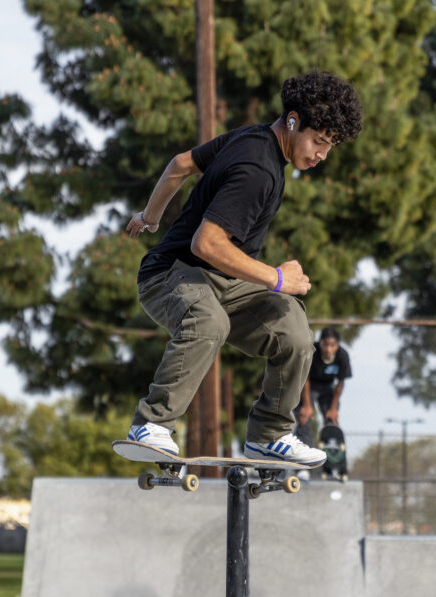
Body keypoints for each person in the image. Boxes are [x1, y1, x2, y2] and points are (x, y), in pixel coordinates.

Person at [124, 70, 363, 465]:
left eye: (330, 145)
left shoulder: (250, 136)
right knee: (208, 321)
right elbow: (206, 243)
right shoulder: (258, 168)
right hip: (171, 274)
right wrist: (277, 277)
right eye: (318, 141)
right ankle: (151, 424)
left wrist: (150, 217)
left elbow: (180, 164)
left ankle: (269, 434)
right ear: (292, 121)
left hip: (220, 279)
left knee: (294, 329)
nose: (322, 154)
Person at [295, 326, 353, 445]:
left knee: (331, 419)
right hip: (308, 387)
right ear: (320, 343)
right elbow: (305, 378)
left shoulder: (342, 356)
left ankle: (330, 452)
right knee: (305, 416)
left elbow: (340, 384)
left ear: (337, 345)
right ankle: (304, 448)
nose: (328, 349)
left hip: (327, 388)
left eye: (332, 345)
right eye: (325, 345)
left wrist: (333, 409)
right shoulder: (311, 352)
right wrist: (307, 405)